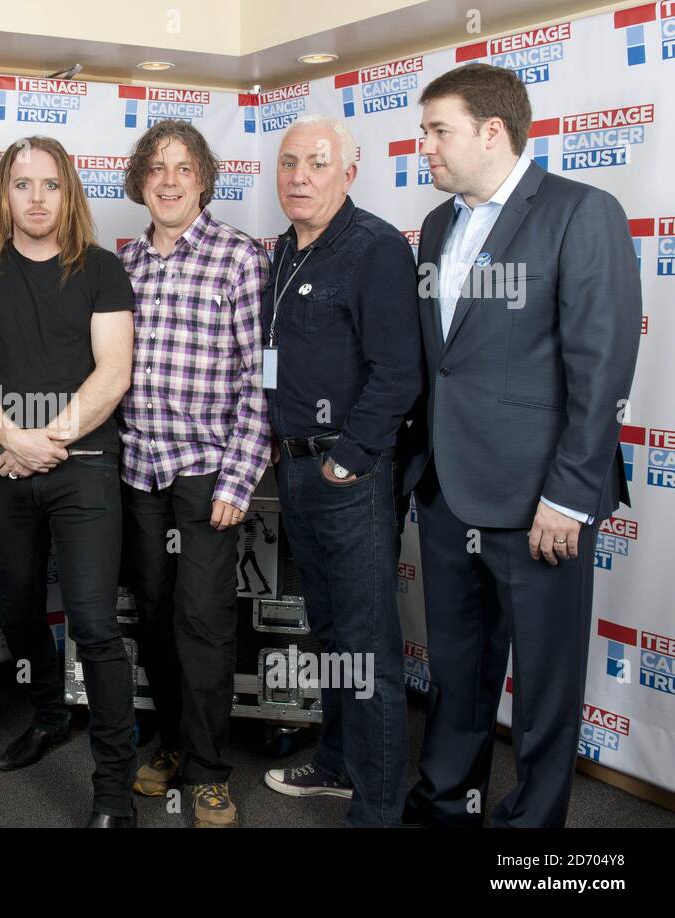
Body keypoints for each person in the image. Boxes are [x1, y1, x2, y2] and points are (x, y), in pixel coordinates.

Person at [401, 63, 641, 828]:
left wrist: (568, 497)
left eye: (439, 130)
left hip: (541, 501)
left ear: (492, 131)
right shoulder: (439, 226)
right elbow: (446, 360)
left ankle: (531, 833)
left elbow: (599, 370)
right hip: (446, 493)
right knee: (459, 673)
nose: (425, 147)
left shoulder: (582, 212)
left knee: (543, 684)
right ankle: (445, 806)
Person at [0, 135, 138, 828]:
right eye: (23, 184)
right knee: (21, 614)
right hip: (4, 465)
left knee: (93, 623)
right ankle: (52, 713)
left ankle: (114, 791)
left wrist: (42, 443)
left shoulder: (102, 270)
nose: (36, 198)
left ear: (69, 194)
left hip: (80, 468)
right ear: (4, 192)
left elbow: (112, 373)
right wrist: (10, 439)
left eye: (50, 185)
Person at [258, 114, 422, 827]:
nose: (299, 176)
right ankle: (337, 763)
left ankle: (379, 810)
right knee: (328, 633)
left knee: (369, 647)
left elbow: (399, 373)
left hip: (347, 477)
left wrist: (347, 464)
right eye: (289, 162)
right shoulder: (284, 250)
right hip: (294, 469)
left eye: (317, 163)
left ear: (347, 173)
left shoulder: (375, 248)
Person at [116, 120, 270, 827]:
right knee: (151, 615)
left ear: (204, 177)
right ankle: (174, 743)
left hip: (207, 477)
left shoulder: (240, 258)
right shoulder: (125, 263)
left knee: (203, 622)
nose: (169, 181)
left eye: (183, 168)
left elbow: (260, 381)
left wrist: (238, 481)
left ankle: (210, 769)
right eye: (157, 169)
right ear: (140, 180)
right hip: (139, 472)